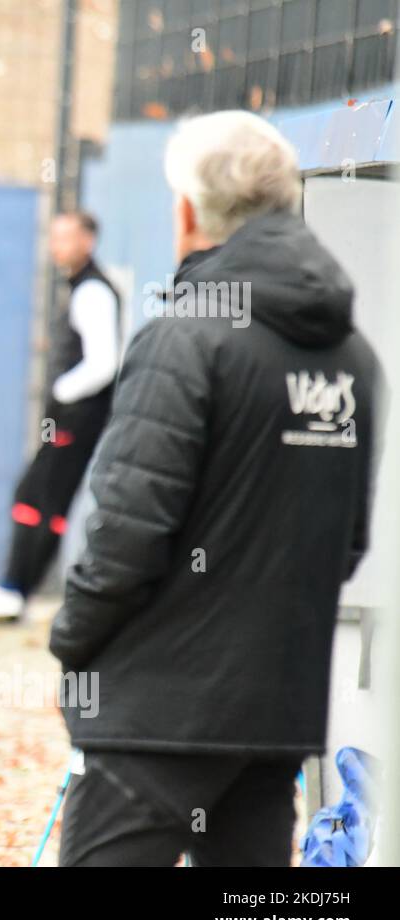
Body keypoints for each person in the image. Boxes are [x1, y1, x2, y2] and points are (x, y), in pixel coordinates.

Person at [50, 111, 382, 867]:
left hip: (156, 718)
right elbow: (348, 543)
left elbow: (126, 535)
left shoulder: (184, 336)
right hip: (275, 718)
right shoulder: (356, 356)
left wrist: (71, 645)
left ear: (188, 211)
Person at [0, 211, 120, 623]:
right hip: (74, 416)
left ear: (88, 242)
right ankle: (15, 590)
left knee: (38, 497)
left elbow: (104, 363)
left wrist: (62, 392)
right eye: (54, 236)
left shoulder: (93, 292)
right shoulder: (82, 288)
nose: (56, 245)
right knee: (42, 499)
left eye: (66, 237)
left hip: (76, 415)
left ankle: (14, 590)